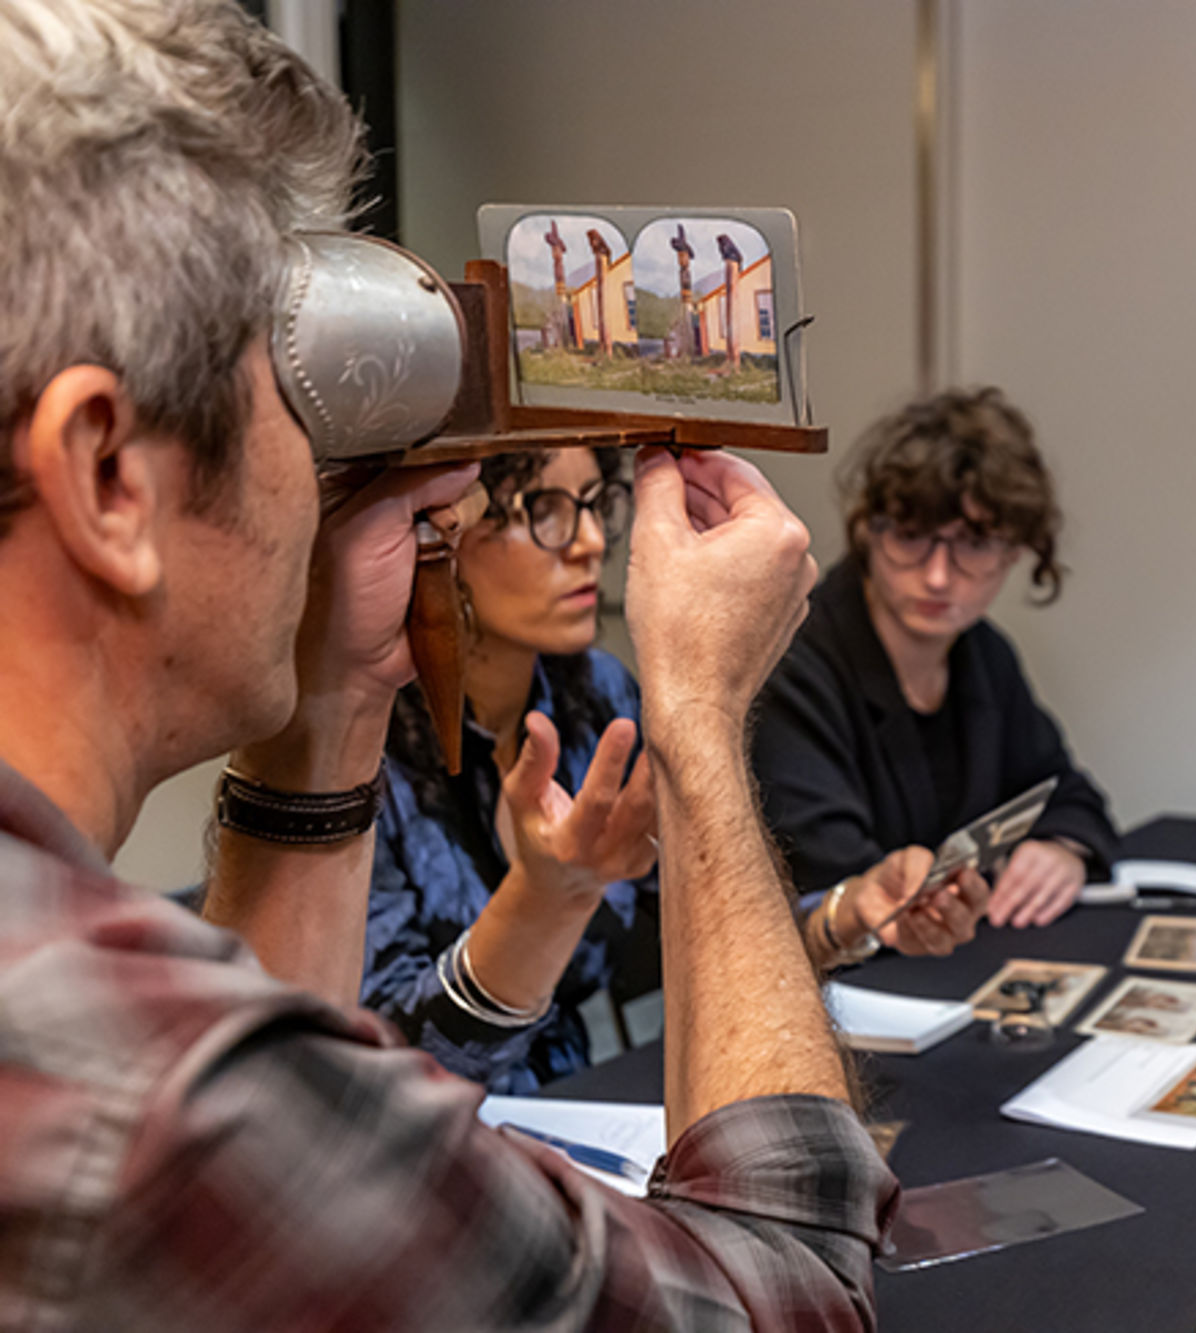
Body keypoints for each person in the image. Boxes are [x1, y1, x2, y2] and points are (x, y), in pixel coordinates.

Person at [0, 2, 894, 1327]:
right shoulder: (132, 1082)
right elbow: (794, 1291)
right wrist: (698, 706)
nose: (310, 482)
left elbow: (283, 1232)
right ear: (109, 477)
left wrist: (338, 699)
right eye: (284, 410)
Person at [363, 446, 978, 1093]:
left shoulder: (597, 695)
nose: (591, 542)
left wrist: (851, 911)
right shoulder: (368, 743)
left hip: (586, 1110)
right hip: (429, 1148)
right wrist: (543, 904)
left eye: (597, 505)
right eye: (541, 510)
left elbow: (693, 933)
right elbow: (379, 1070)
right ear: (441, 533)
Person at [751, 387, 1118, 940]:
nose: (940, 575)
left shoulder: (983, 653)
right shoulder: (798, 663)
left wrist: (1061, 848)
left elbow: (1069, 793)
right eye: (911, 536)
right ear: (868, 531)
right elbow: (832, 882)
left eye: (974, 542)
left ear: (1015, 551)